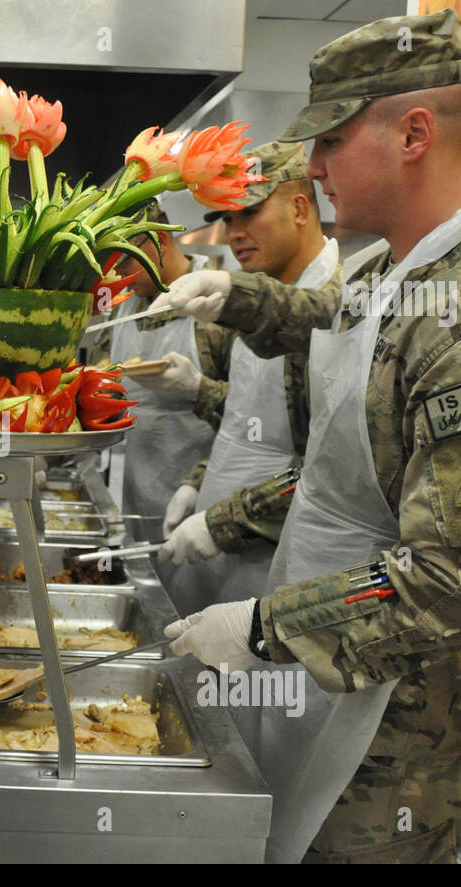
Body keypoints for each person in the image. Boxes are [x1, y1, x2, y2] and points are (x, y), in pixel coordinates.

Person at [158, 10, 461, 863]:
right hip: (335, 658)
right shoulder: (396, 270)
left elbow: (460, 581)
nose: (310, 169)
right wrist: (234, 297)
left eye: (331, 139)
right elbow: (330, 320)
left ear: (414, 134)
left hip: (408, 712)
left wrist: (263, 629)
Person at [160, 141, 341, 615]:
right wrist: (200, 482)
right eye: (229, 220)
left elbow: (333, 468)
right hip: (220, 556)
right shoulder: (258, 302)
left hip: (280, 567)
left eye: (250, 214)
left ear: (300, 208)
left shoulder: (337, 309)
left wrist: (221, 524)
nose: (235, 234)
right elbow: (246, 417)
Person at [99, 203, 221, 562]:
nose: (119, 275)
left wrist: (198, 388)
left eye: (126, 262)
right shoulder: (126, 307)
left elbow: (251, 419)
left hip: (200, 512)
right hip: (137, 500)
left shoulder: (214, 307)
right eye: (113, 267)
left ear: (162, 240)